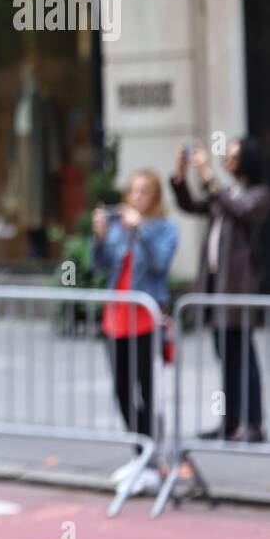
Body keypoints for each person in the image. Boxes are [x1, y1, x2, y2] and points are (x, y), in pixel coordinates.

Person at [171, 137, 270, 443]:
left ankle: (253, 423)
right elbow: (191, 205)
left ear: (248, 161)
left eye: (234, 156)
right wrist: (180, 176)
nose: (227, 159)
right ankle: (229, 422)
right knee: (225, 359)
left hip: (238, 289)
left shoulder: (259, 194)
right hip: (216, 288)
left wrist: (208, 176)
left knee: (244, 359)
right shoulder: (227, 193)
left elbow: (240, 212)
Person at [92, 170, 178, 493]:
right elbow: (99, 265)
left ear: (155, 197)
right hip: (116, 319)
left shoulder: (164, 229)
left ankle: (153, 462)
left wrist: (140, 229)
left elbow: (160, 264)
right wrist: (99, 236)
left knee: (148, 394)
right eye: (132, 191)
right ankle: (140, 456)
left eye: (144, 192)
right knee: (123, 392)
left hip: (146, 319)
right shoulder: (118, 228)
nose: (136, 197)